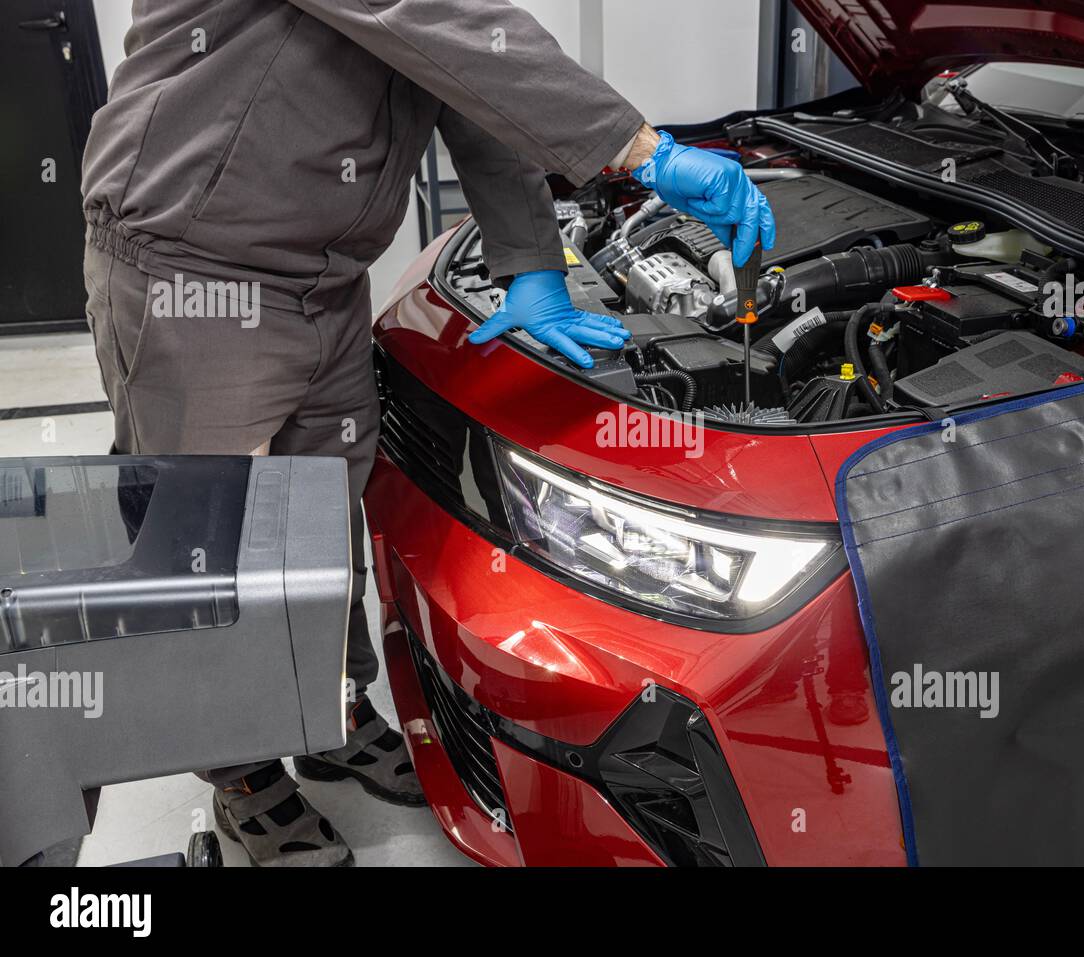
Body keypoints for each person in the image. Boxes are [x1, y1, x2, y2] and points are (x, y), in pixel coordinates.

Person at [81, 0, 774, 866]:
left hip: (324, 275)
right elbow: (436, 17)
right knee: (219, 545)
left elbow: (474, 84)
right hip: (195, 265)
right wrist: (644, 150)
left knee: (320, 516)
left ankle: (330, 711)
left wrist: (532, 262)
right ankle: (242, 773)